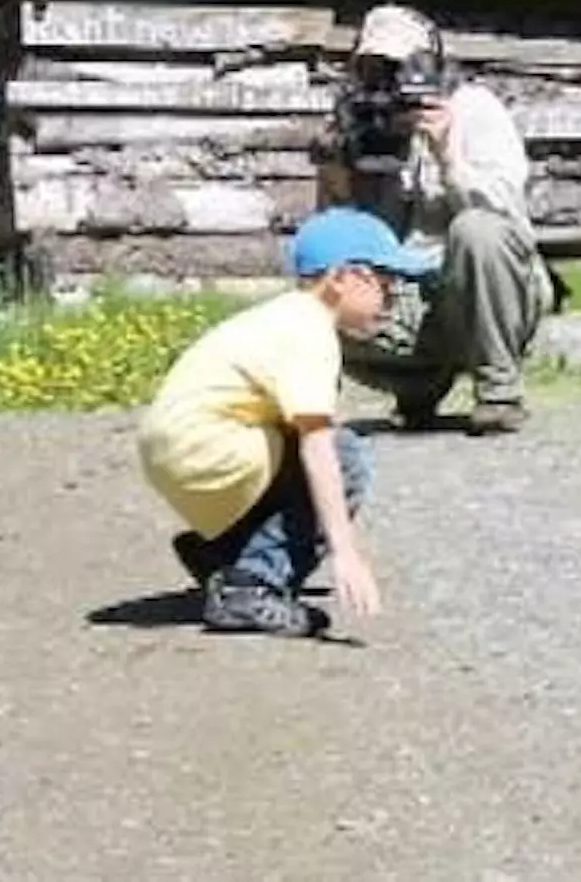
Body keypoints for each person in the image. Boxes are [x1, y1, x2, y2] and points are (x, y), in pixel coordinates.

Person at [135, 206, 404, 637]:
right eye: (386, 285)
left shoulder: (284, 315)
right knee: (345, 455)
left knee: (297, 446)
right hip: (209, 449)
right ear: (342, 278)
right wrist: (345, 550)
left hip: (174, 451)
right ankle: (251, 584)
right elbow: (317, 446)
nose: (391, 300)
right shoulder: (310, 332)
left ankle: (226, 551)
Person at [322, 4, 555, 435]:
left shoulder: (475, 109)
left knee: (477, 230)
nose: (389, 78)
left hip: (485, 291)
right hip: (405, 293)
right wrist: (338, 181)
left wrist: (449, 158)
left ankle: (498, 391)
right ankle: (415, 386)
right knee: (319, 278)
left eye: (399, 65)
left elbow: (506, 213)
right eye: (377, 67)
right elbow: (340, 240)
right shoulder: (361, 120)